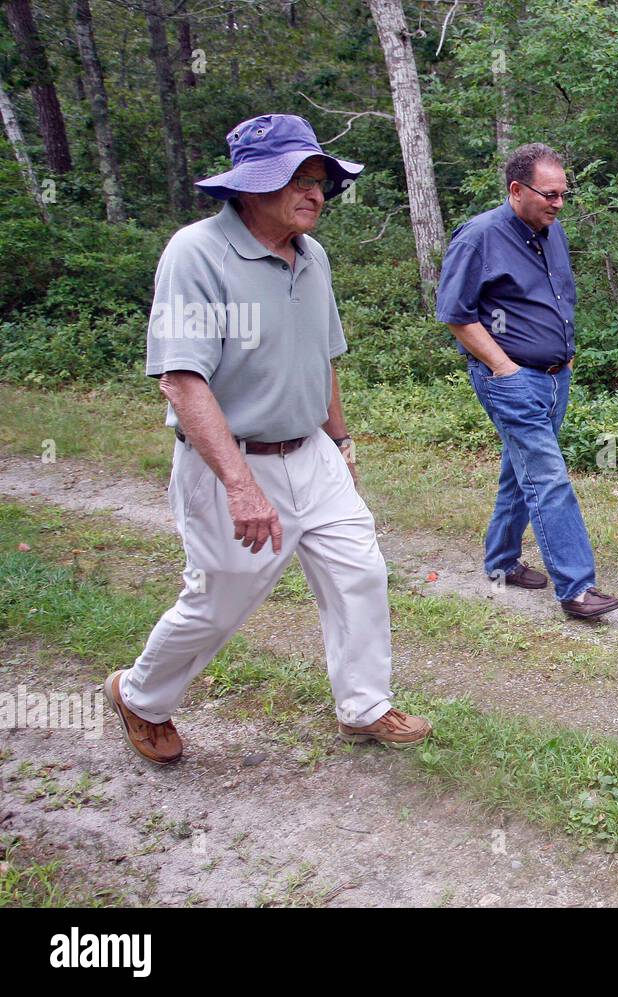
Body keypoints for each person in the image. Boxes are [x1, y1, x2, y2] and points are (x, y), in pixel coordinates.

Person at [104, 113, 430, 765]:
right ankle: (141, 696)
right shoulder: (196, 254)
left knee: (360, 572)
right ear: (251, 185)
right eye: (299, 178)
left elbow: (323, 358)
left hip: (311, 452)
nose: (316, 191)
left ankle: (364, 705)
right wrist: (241, 484)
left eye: (322, 180)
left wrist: (341, 444)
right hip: (230, 461)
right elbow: (182, 380)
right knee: (220, 598)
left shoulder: (313, 259)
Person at [435, 142, 618, 620]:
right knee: (548, 476)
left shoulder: (549, 230)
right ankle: (576, 589)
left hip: (556, 378)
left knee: (519, 472)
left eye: (563, 194)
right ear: (517, 190)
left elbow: (560, 298)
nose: (559, 204)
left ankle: (501, 562)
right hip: (511, 380)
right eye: (549, 195)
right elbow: (455, 315)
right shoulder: (479, 237)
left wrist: (567, 358)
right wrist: (504, 368)